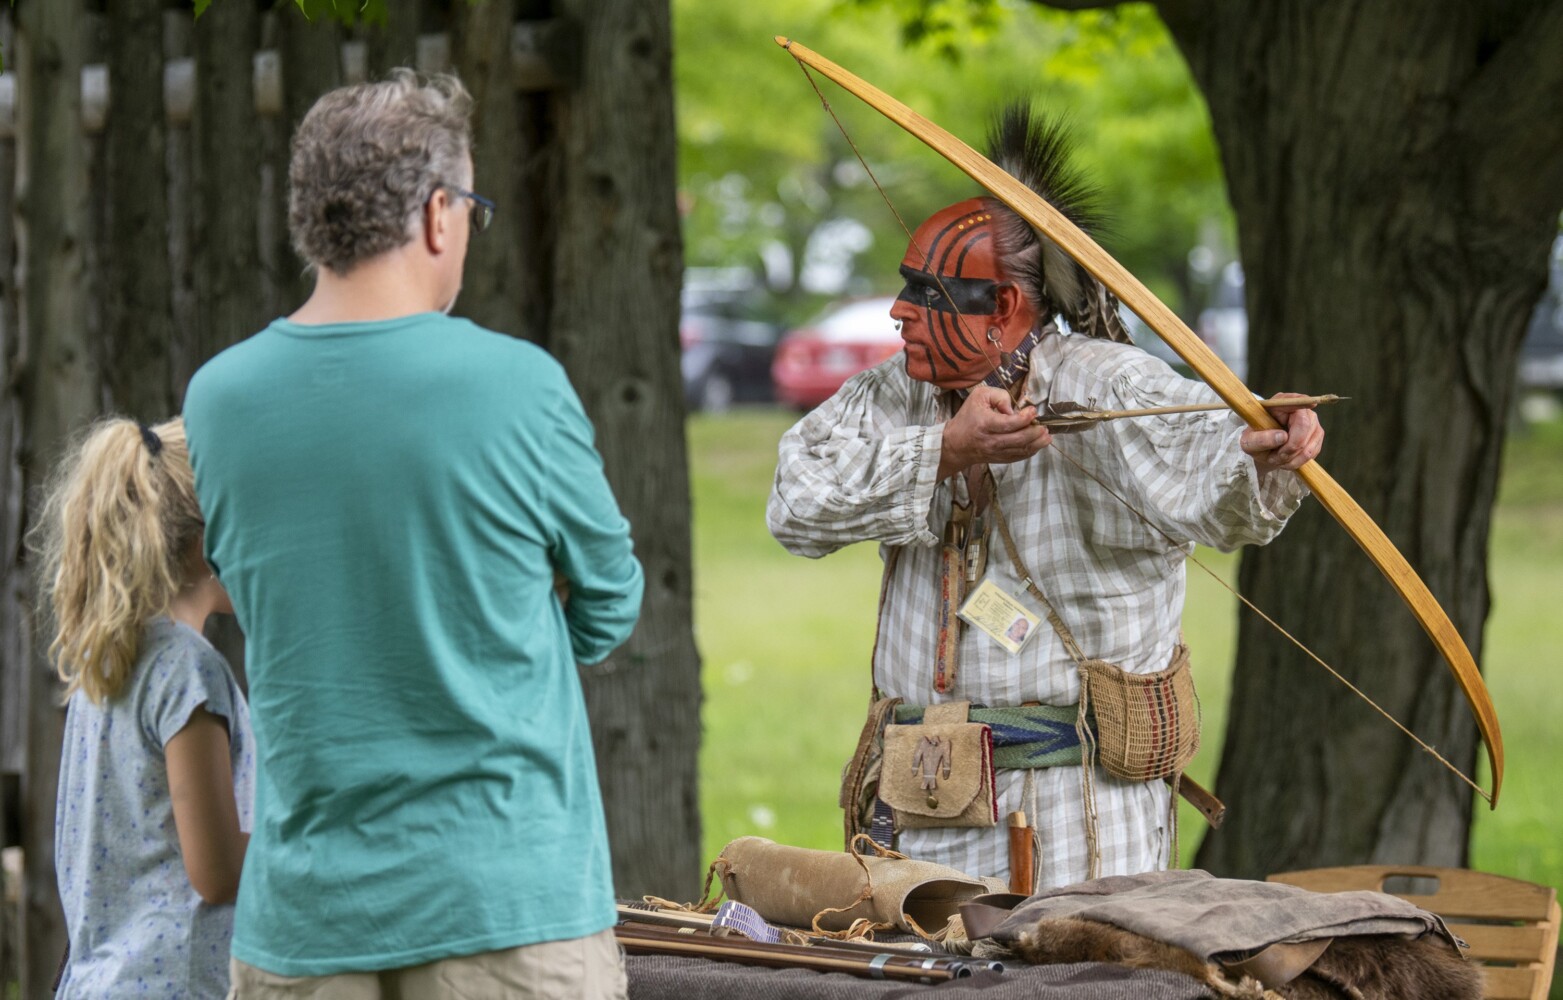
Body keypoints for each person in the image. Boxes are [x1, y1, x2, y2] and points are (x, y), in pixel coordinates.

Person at [768, 105, 1323, 890]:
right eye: (905, 286)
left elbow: (1213, 477)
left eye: (930, 292)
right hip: (917, 798)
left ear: (1003, 309)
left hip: (1071, 815)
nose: (900, 310)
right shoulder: (895, 394)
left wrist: (1266, 452)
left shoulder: (1108, 386)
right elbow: (794, 504)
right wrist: (943, 451)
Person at [182, 71, 643, 997]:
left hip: (303, 922)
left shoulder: (217, 400)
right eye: (473, 205)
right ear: (439, 213)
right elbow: (608, 607)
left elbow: (274, 593)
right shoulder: (518, 385)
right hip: (505, 909)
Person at [42, 417, 253, 998]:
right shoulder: (189, 671)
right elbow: (217, 872)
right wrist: (317, 846)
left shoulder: (107, 661)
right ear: (207, 535)